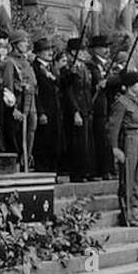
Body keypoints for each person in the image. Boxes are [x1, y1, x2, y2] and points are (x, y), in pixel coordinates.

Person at [107, 70, 138, 226]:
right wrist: (114, 148)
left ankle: (134, 211)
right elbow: (113, 127)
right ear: (131, 85)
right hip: (129, 138)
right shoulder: (121, 102)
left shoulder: (135, 101)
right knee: (128, 178)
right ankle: (127, 213)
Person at [0, 29, 38, 170]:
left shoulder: (26, 62)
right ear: (15, 44)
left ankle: (27, 159)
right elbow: (8, 87)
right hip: (19, 104)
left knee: (31, 133)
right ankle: (19, 164)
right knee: (19, 137)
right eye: (23, 41)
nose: (26, 44)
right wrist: (13, 108)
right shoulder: (10, 62)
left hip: (30, 103)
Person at [59, 39, 93, 182]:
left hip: (85, 108)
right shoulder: (68, 69)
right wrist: (75, 111)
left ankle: (84, 171)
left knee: (85, 143)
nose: (85, 53)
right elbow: (69, 92)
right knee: (76, 143)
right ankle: (77, 173)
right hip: (75, 109)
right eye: (82, 50)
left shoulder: (84, 68)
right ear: (74, 52)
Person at [32, 37, 61, 173]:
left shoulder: (52, 67)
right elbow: (36, 92)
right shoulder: (35, 68)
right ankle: (43, 170)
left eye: (50, 49)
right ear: (38, 52)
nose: (50, 52)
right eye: (46, 50)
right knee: (43, 142)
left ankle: (52, 170)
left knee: (54, 142)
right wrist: (41, 111)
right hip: (44, 108)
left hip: (54, 108)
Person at [87, 35, 112, 179]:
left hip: (106, 106)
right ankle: (99, 169)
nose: (106, 50)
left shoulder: (105, 65)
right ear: (95, 49)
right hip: (96, 106)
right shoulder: (91, 65)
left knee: (105, 138)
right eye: (103, 47)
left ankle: (107, 168)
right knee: (99, 138)